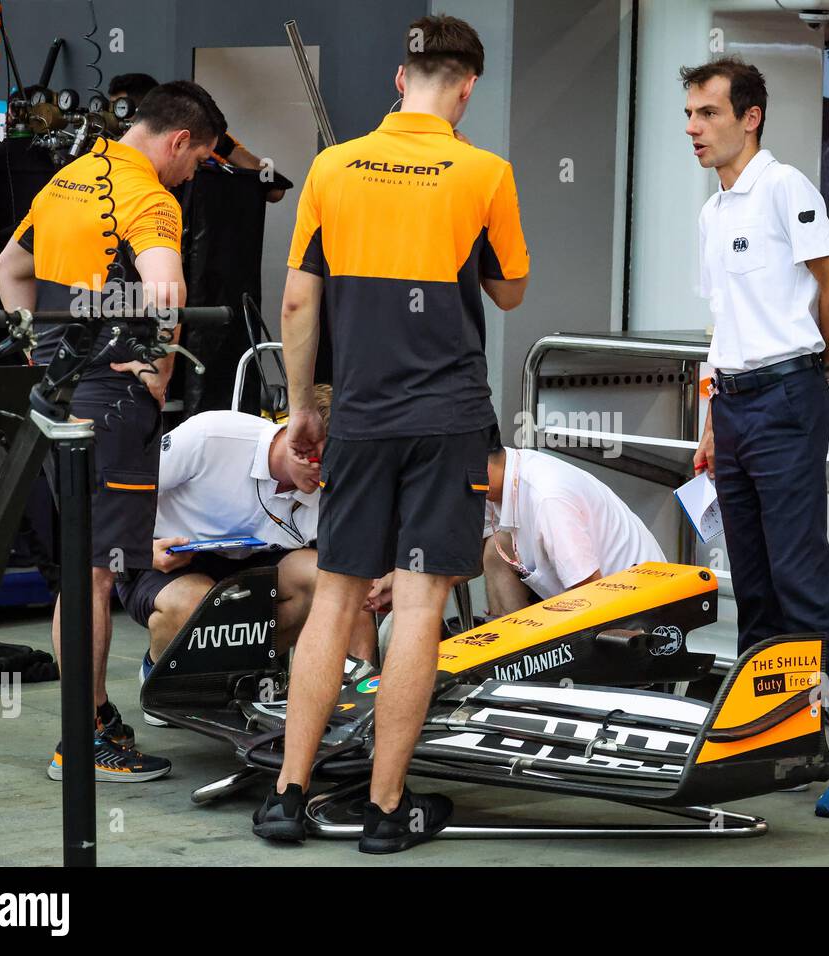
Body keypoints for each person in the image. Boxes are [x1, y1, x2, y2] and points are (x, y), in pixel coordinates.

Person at [252, 14, 529, 853]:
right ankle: (383, 811)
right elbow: (510, 292)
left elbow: (298, 302)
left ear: (399, 81)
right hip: (446, 420)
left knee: (335, 597)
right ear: (468, 85)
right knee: (418, 604)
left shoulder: (333, 168)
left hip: (362, 418)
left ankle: (287, 799)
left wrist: (303, 406)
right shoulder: (486, 172)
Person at [682, 56, 829, 817]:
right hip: (736, 409)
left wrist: (813, 369)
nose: (692, 128)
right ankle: (776, 739)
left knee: (805, 586)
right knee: (759, 589)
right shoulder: (713, 212)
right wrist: (714, 418)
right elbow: (722, 328)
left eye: (707, 113)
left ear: (750, 117)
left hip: (785, 398)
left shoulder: (782, 188)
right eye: (689, 114)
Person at [0, 81, 227, 783]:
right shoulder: (150, 197)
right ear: (179, 140)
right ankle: (85, 738)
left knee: (79, 568)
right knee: (98, 575)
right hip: (114, 403)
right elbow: (165, 288)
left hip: (55, 396)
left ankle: (85, 725)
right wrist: (156, 368)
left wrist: (39, 351)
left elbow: (12, 268)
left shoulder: (66, 179)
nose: (191, 177)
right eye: (199, 161)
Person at [119, 389, 366, 728]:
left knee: (336, 581)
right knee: (200, 603)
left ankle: (246, 676)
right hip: (165, 557)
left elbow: (354, 565)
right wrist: (141, 548)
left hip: (253, 560)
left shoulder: (330, 481)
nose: (329, 475)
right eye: (325, 461)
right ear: (301, 440)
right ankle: (160, 671)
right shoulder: (212, 435)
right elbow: (115, 496)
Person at [366, 444, 665, 619]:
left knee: (502, 549)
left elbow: (591, 596)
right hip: (588, 597)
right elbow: (466, 558)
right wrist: (405, 580)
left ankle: (517, 675)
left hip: (638, 612)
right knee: (497, 551)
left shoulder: (548, 497)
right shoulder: (490, 483)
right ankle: (506, 659)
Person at [110, 73, 291, 203]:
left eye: (120, 107)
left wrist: (221, 147)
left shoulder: (202, 139)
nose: (114, 115)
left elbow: (276, 190)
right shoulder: (109, 151)